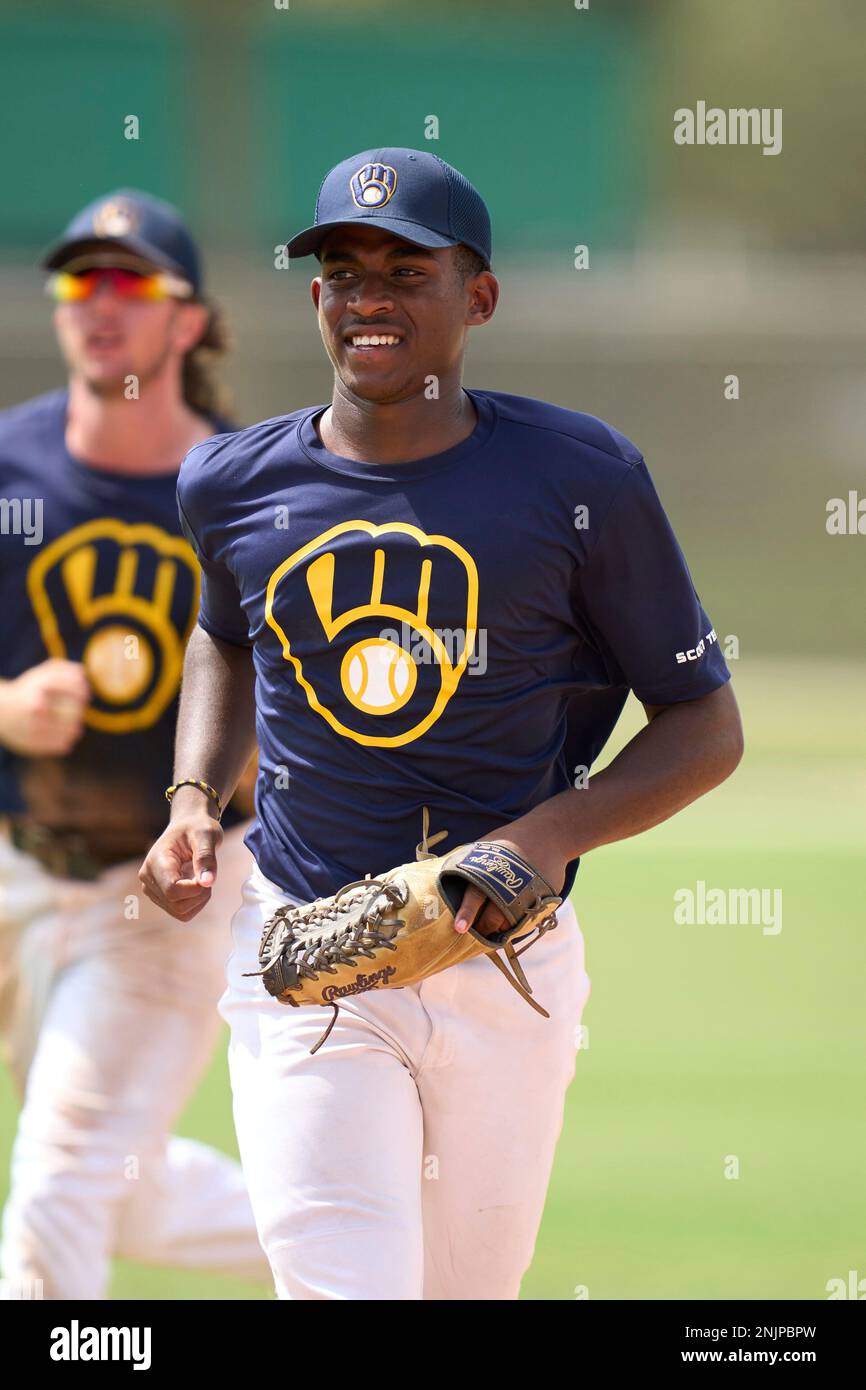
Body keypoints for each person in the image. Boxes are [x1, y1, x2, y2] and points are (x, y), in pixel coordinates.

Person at [140, 148, 744, 1301]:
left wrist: (546, 836)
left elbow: (701, 723)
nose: (367, 296)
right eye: (341, 271)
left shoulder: (580, 479)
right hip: (308, 950)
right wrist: (189, 799)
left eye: (404, 270)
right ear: (315, 298)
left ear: (477, 298)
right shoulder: (229, 481)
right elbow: (224, 633)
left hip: (503, 964)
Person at [0, 190, 268, 1299]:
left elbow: (298, 689)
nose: (98, 303)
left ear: (189, 322)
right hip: (15, 866)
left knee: (59, 1180)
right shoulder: (8, 469)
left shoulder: (249, 487)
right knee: (123, 1185)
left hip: (161, 895)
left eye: (130, 281)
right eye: (80, 279)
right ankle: (380, 1228)